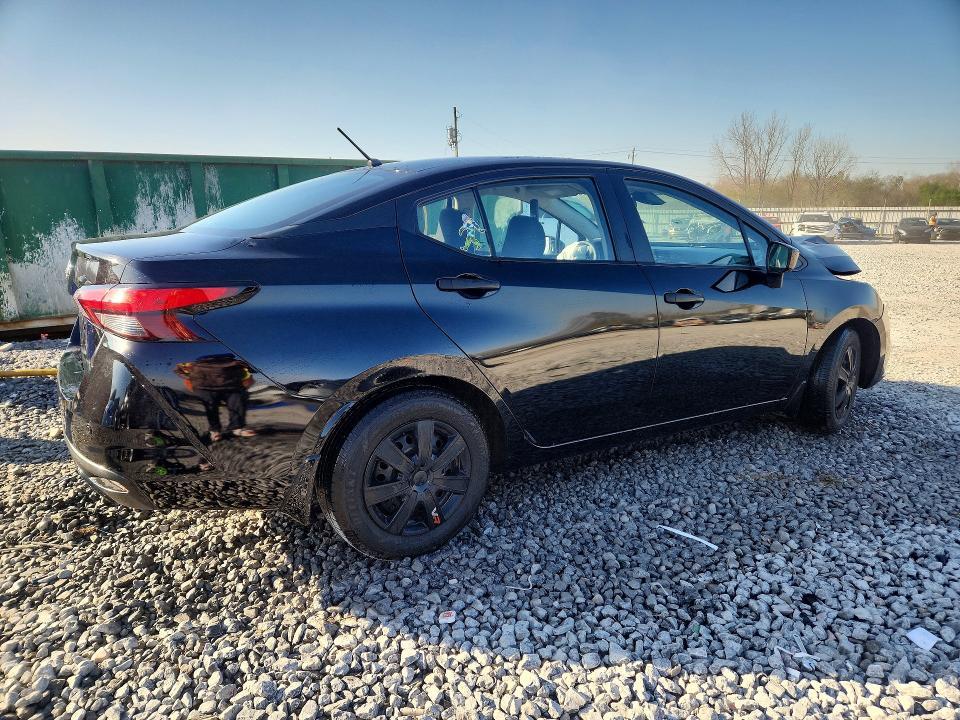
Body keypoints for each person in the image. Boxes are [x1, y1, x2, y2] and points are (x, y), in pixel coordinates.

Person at [175, 355, 256, 441]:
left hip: (214, 388)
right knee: (235, 404)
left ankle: (219, 431)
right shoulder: (237, 363)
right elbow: (249, 377)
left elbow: (178, 370)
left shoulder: (192, 365)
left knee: (212, 407)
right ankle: (231, 429)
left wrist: (192, 384)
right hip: (218, 388)